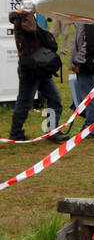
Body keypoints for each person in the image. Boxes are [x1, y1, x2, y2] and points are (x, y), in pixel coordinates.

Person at [7, 8, 69, 143]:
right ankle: (16, 133)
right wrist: (27, 13)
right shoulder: (23, 21)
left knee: (54, 98)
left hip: (41, 68)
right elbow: (31, 28)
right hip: (30, 70)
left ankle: (52, 130)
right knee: (24, 103)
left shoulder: (27, 18)